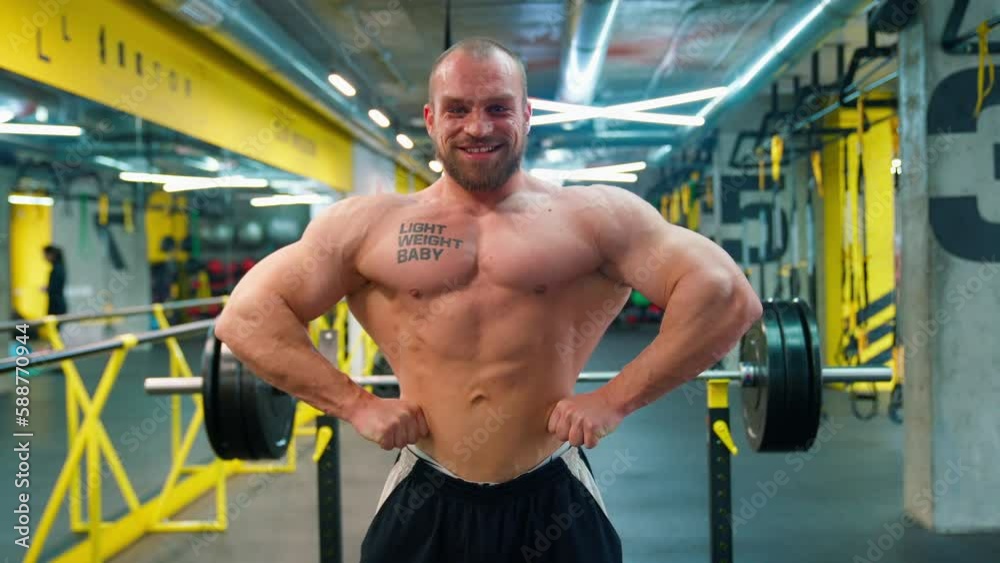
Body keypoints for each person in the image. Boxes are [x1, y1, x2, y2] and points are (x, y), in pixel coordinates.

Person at [215, 38, 761, 563]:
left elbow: (726, 296)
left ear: (527, 115)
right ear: (431, 119)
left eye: (497, 107)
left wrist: (615, 400)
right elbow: (248, 317)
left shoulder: (593, 218)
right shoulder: (369, 226)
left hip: (554, 490)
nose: (478, 127)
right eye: (457, 109)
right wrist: (357, 405)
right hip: (424, 491)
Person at [43, 245, 67, 316]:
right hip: (56, 305)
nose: (44, 257)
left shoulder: (57, 269)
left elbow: (55, 288)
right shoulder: (59, 267)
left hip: (56, 306)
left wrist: (48, 289)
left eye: (46, 255)